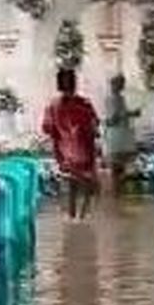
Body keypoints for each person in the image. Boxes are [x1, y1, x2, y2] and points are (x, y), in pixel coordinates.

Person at [42, 69, 99, 219]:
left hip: (64, 151)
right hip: (84, 150)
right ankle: (83, 214)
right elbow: (94, 124)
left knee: (70, 183)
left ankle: (71, 215)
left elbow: (47, 128)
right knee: (86, 182)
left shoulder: (53, 105)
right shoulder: (84, 104)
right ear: (74, 84)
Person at [102, 74, 139, 197]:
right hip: (116, 136)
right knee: (116, 166)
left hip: (121, 135)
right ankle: (115, 192)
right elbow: (112, 118)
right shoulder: (111, 99)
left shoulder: (119, 98)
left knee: (121, 166)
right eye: (120, 83)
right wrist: (128, 114)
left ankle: (118, 192)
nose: (122, 86)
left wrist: (129, 114)